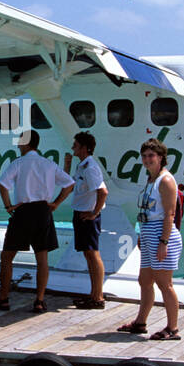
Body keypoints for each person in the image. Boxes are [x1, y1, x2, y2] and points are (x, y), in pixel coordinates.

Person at [0, 130, 75, 313]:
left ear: (26, 143)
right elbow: (69, 184)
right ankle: (39, 300)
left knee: (7, 256)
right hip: (43, 210)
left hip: (23, 210)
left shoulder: (19, 163)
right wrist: (56, 203)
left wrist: (8, 206)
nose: (18, 145)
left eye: (20, 142)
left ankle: (3, 298)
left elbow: (3, 184)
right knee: (41, 258)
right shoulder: (48, 164)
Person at [117, 139, 182, 339]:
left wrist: (163, 243)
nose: (147, 159)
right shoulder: (151, 180)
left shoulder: (166, 180)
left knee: (165, 283)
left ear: (161, 157)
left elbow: (169, 214)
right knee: (144, 280)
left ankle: (173, 328)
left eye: (151, 155)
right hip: (149, 232)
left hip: (162, 234)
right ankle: (140, 322)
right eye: (144, 156)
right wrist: (141, 235)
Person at [69, 132, 109, 310]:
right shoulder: (82, 166)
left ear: (84, 148)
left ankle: (98, 297)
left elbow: (103, 192)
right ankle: (94, 294)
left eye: (76, 145)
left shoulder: (90, 167)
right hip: (81, 214)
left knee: (93, 254)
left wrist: (94, 213)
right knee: (88, 254)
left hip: (87, 216)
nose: (73, 148)